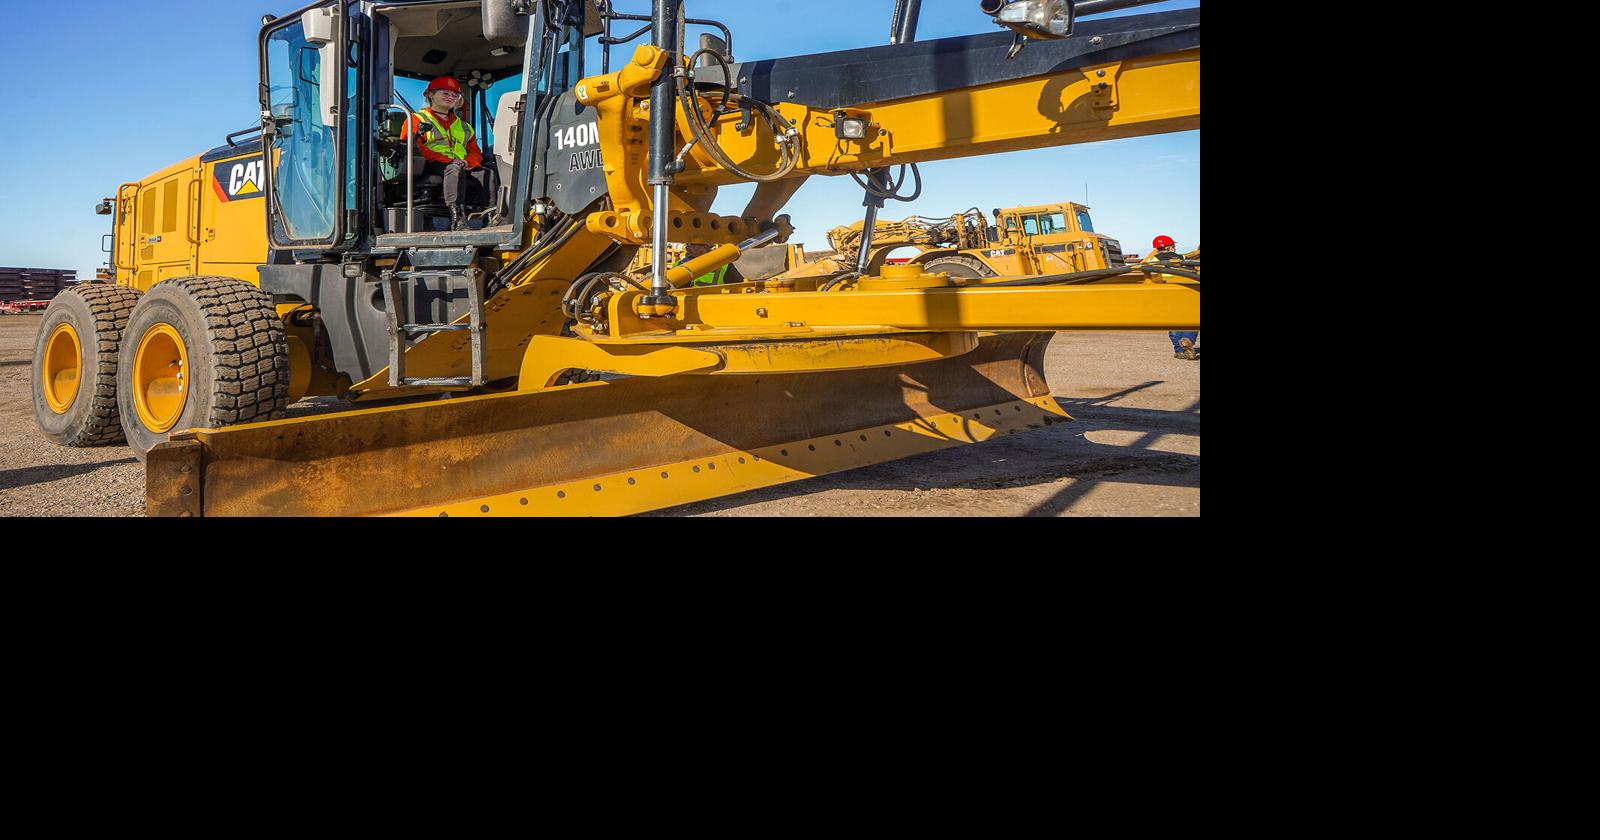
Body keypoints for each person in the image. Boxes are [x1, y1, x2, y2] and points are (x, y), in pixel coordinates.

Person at [402, 76, 491, 231]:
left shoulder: (464, 126)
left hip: (461, 164)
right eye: (445, 93)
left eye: (455, 95)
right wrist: (449, 161)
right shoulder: (416, 119)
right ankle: (458, 219)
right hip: (430, 164)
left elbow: (474, 152)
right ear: (430, 95)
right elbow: (414, 147)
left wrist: (468, 162)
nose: (450, 97)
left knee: (486, 173)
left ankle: (491, 216)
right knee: (454, 170)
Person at [1144, 234, 1199, 360]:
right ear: (1169, 247)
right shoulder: (1177, 258)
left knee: (1174, 321)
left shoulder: (1152, 260)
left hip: (1164, 292)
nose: (1175, 248)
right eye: (1173, 246)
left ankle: (1179, 350)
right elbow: (1189, 257)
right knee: (1192, 318)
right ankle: (1187, 339)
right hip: (1183, 290)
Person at [680, 243, 745, 286]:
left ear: (706, 247)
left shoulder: (723, 266)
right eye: (687, 244)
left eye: (692, 245)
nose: (687, 248)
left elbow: (740, 288)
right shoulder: (678, 265)